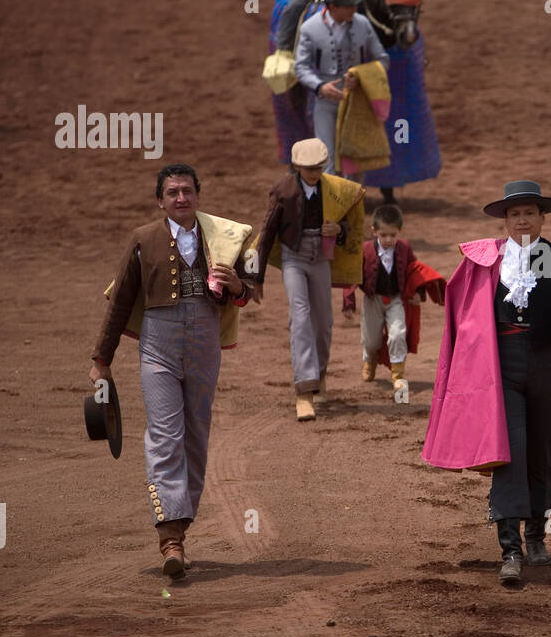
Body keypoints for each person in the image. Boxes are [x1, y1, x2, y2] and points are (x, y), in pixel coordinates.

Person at [422, 181, 551, 586]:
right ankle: (510, 549)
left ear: (542, 217)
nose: (522, 220)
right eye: (514, 214)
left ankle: (536, 538)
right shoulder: (484, 261)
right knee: (508, 449)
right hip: (499, 367)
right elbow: (462, 314)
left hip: (548, 362)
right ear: (505, 220)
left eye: (529, 213)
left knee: (542, 450)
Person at [90, 163, 254, 579]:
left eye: (187, 191)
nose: (181, 198)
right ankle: (170, 538)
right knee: (166, 434)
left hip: (203, 342)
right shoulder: (143, 239)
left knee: (197, 433)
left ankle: (180, 522)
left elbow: (244, 293)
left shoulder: (219, 240)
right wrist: (100, 361)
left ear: (198, 195)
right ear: (160, 201)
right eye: (172, 192)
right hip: (158, 344)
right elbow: (121, 302)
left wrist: (235, 285)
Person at [249, 138, 364, 421]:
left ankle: (319, 375)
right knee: (300, 317)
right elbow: (267, 232)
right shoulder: (283, 191)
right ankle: (304, 391)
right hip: (294, 259)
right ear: (297, 166)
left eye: (318, 167)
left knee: (324, 321)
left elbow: (352, 222)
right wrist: (257, 277)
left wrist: (339, 228)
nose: (314, 172)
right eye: (309, 168)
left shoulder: (334, 190)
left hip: (321, 259)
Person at [342, 203, 445, 394]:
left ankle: (398, 375)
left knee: (398, 334)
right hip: (372, 300)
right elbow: (352, 275)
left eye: (393, 235)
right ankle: (370, 359)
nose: (388, 239)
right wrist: (349, 302)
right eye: (383, 235)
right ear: (374, 231)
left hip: (396, 299)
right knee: (371, 341)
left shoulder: (404, 248)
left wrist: (418, 293)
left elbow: (414, 270)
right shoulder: (365, 250)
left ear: (400, 231)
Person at [294, 0, 389, 177]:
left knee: (355, 162)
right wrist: (320, 87)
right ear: (333, 6)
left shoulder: (362, 24)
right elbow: (301, 67)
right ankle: (329, 207)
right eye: (350, 6)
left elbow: (383, 59)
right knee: (325, 159)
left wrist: (362, 77)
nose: (355, 9)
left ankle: (353, 206)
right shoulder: (310, 28)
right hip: (326, 102)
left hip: (356, 101)